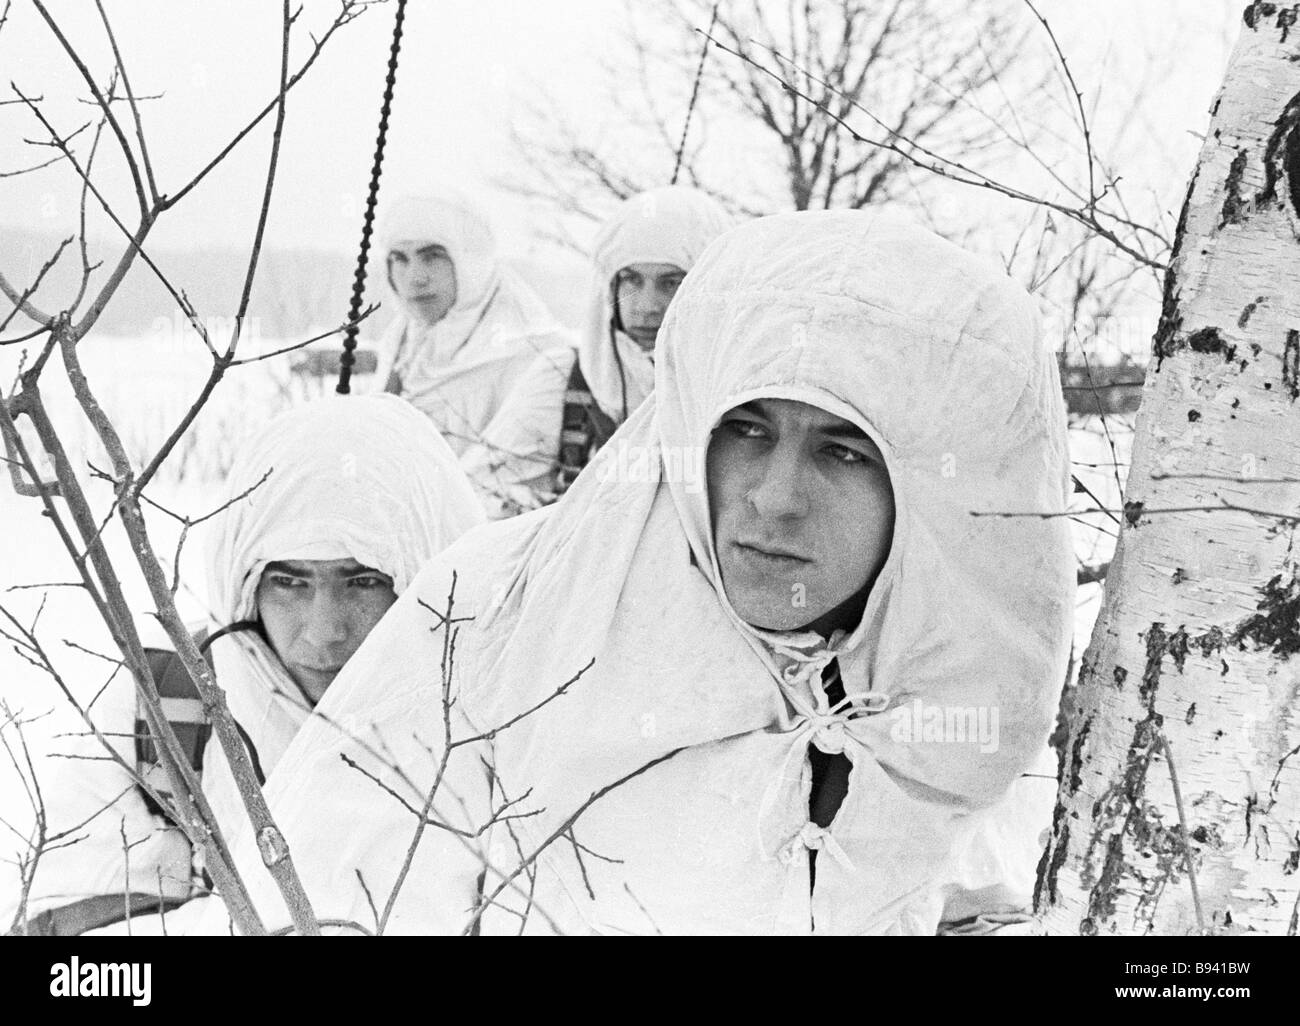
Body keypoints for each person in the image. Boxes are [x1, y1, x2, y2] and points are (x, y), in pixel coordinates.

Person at [204, 212, 1074, 935]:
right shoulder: (488, 621)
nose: (774, 499)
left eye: (844, 451)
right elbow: (339, 889)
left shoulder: (971, 714)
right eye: (747, 431)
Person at [5, 395, 483, 935]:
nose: (324, 630)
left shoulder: (505, 711)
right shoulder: (167, 704)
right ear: (244, 584)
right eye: (290, 582)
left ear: (429, 579)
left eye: (364, 581)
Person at [372, 193, 576, 517]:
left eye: (433, 256)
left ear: (471, 261)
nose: (415, 277)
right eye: (399, 259)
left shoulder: (537, 351)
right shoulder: (400, 347)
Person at [555, 185, 731, 493]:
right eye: (632, 280)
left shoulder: (740, 392)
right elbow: (499, 492)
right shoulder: (562, 376)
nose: (647, 306)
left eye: (671, 283)